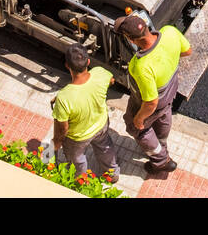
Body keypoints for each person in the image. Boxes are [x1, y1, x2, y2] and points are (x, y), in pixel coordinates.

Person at [114, 14, 191, 178]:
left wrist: (139, 118)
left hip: (152, 102)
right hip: (170, 91)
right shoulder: (169, 32)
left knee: (137, 128)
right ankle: (161, 144)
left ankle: (161, 160)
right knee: (163, 115)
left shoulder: (141, 65)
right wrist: (167, 59)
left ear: (131, 40)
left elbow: (150, 102)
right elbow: (187, 51)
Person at [51, 44, 119, 183]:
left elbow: (63, 128)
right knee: (105, 148)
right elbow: (111, 80)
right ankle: (112, 174)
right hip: (101, 125)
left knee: (77, 159)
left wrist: (56, 143)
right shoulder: (100, 73)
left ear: (67, 66)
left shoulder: (64, 98)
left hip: (77, 138)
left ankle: (81, 182)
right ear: (88, 62)